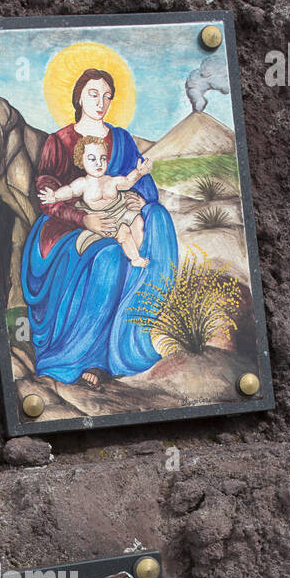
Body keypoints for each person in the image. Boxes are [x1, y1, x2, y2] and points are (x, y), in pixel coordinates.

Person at [22, 67, 178, 389]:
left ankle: (129, 342)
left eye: (107, 96)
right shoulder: (59, 141)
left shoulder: (120, 139)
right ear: (79, 96)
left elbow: (143, 184)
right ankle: (87, 356)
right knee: (108, 254)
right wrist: (84, 220)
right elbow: (48, 199)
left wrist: (136, 197)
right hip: (68, 226)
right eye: (94, 94)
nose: (101, 102)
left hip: (117, 214)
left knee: (159, 220)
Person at [38, 135, 153, 268]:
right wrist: (55, 196)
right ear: (81, 161)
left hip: (120, 210)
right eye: (92, 159)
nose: (98, 163)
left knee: (138, 223)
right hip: (103, 218)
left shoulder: (111, 180)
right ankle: (135, 258)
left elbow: (127, 182)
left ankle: (136, 252)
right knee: (124, 232)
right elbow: (70, 191)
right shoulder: (83, 183)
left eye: (102, 158)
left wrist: (139, 172)